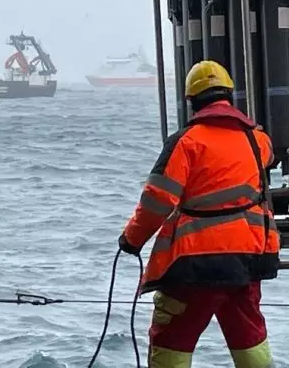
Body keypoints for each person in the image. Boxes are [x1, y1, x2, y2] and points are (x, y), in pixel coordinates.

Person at [118, 60, 279, 368]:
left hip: (195, 265)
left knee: (173, 338)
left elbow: (157, 200)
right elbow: (268, 157)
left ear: (191, 102)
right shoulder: (257, 140)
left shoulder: (186, 142)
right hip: (246, 259)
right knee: (249, 336)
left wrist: (131, 240)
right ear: (230, 97)